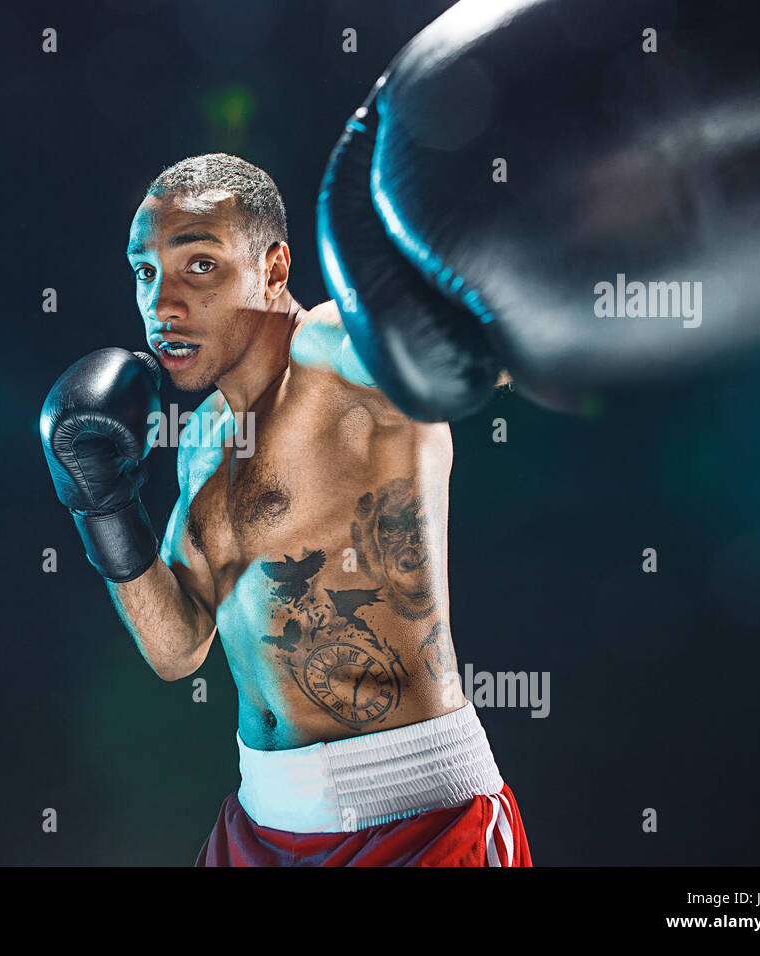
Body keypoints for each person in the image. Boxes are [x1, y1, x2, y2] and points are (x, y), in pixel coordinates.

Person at [41, 153, 529, 866]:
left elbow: (481, 353)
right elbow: (177, 649)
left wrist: (472, 314)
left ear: (273, 269)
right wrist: (101, 507)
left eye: (198, 265)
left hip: (414, 817)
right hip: (260, 824)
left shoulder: (337, 349)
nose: (162, 304)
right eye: (145, 273)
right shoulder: (203, 436)